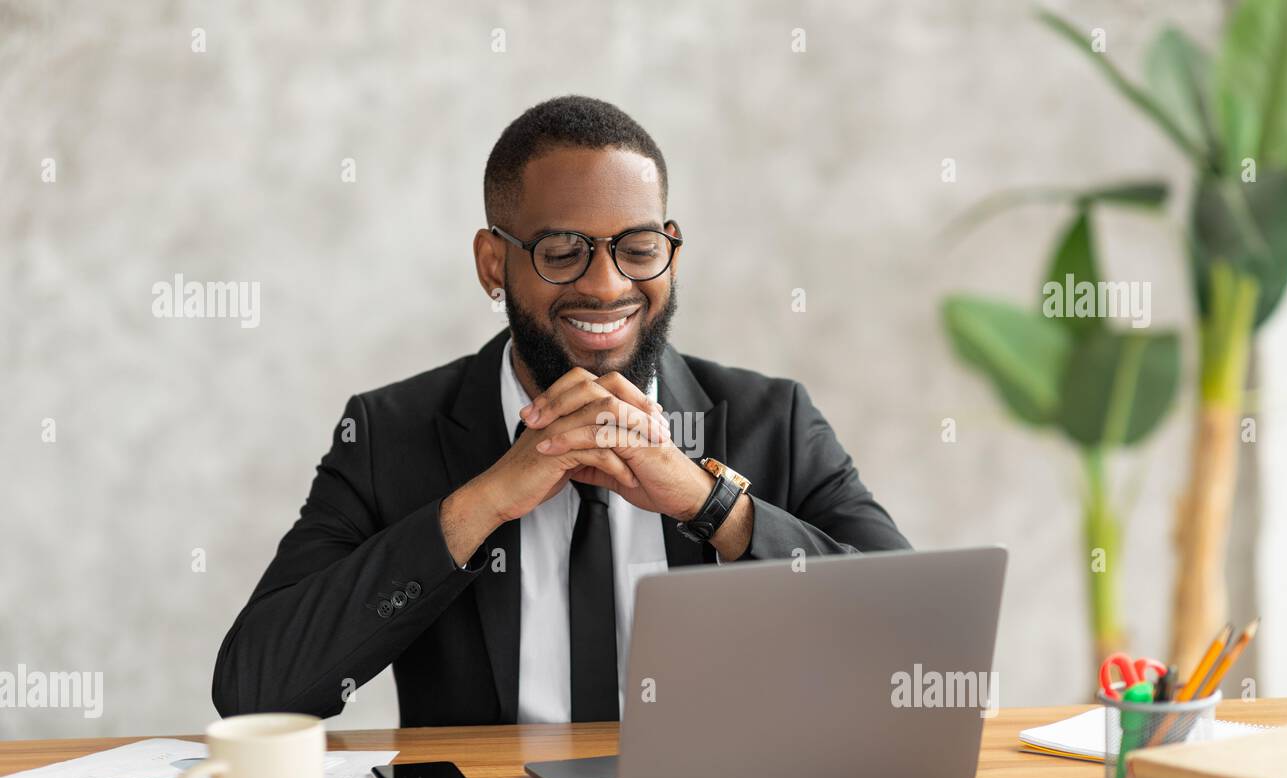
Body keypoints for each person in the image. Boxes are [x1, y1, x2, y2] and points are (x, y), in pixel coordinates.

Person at [212, 95, 909, 727]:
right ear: (493, 262)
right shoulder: (390, 435)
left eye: (638, 249)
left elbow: (911, 653)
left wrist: (712, 504)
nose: (607, 287)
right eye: (562, 253)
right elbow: (257, 690)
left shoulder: (771, 421)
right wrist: (479, 504)